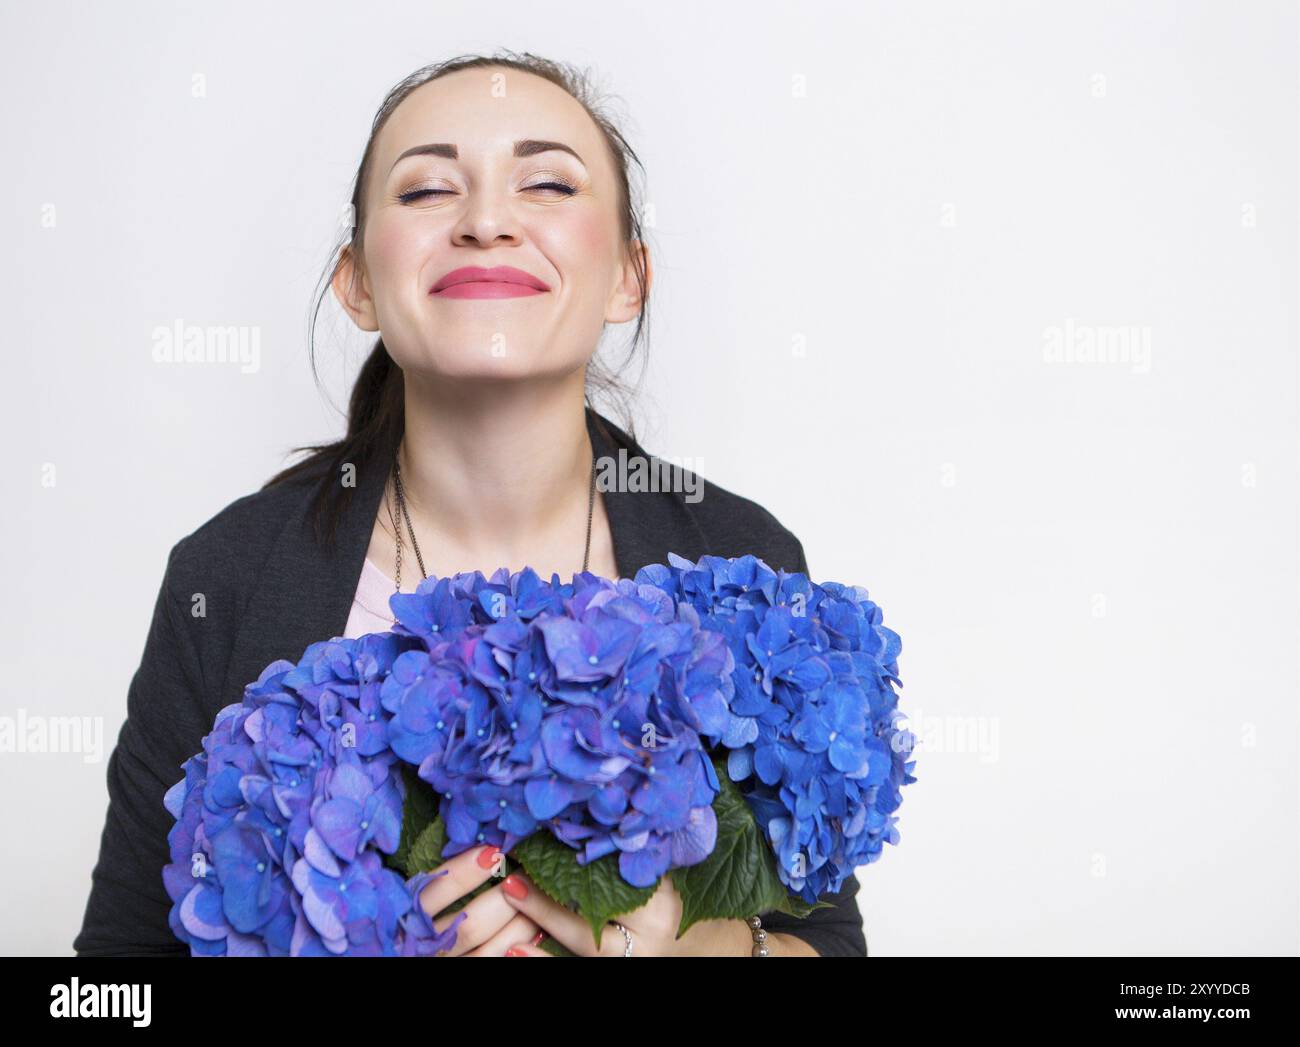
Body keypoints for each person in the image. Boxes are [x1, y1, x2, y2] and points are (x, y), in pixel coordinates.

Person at [73, 51, 868, 958]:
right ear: (358, 282)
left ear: (627, 275)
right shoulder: (226, 576)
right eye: (425, 192)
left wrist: (707, 948)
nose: (487, 221)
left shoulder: (741, 554)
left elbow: (829, 944)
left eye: (547, 183)